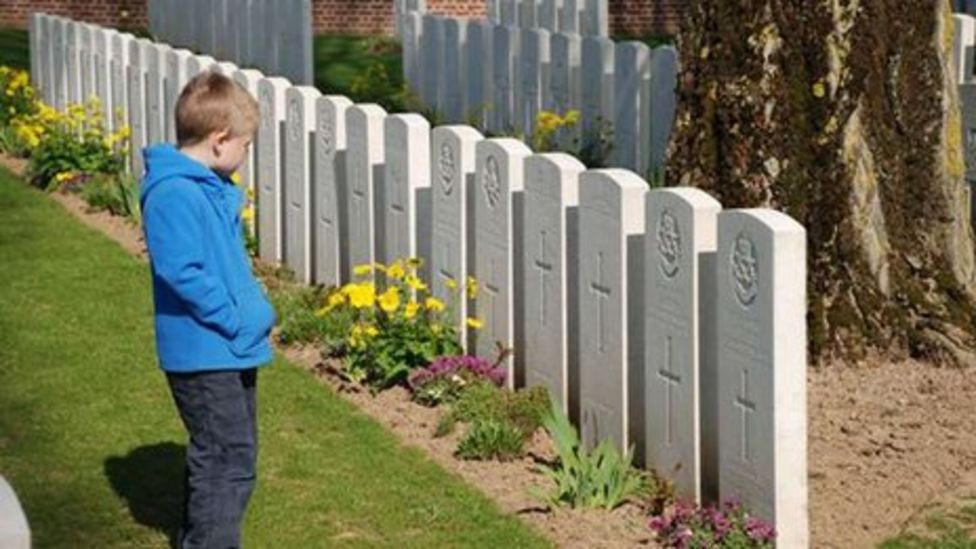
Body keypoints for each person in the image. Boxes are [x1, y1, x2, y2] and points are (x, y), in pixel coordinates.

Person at [139, 70, 276, 549]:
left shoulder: (210, 186)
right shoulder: (175, 193)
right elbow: (184, 272)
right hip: (206, 348)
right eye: (246, 144)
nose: (245, 154)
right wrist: (236, 318)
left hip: (230, 347)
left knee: (230, 455)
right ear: (219, 141)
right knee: (225, 459)